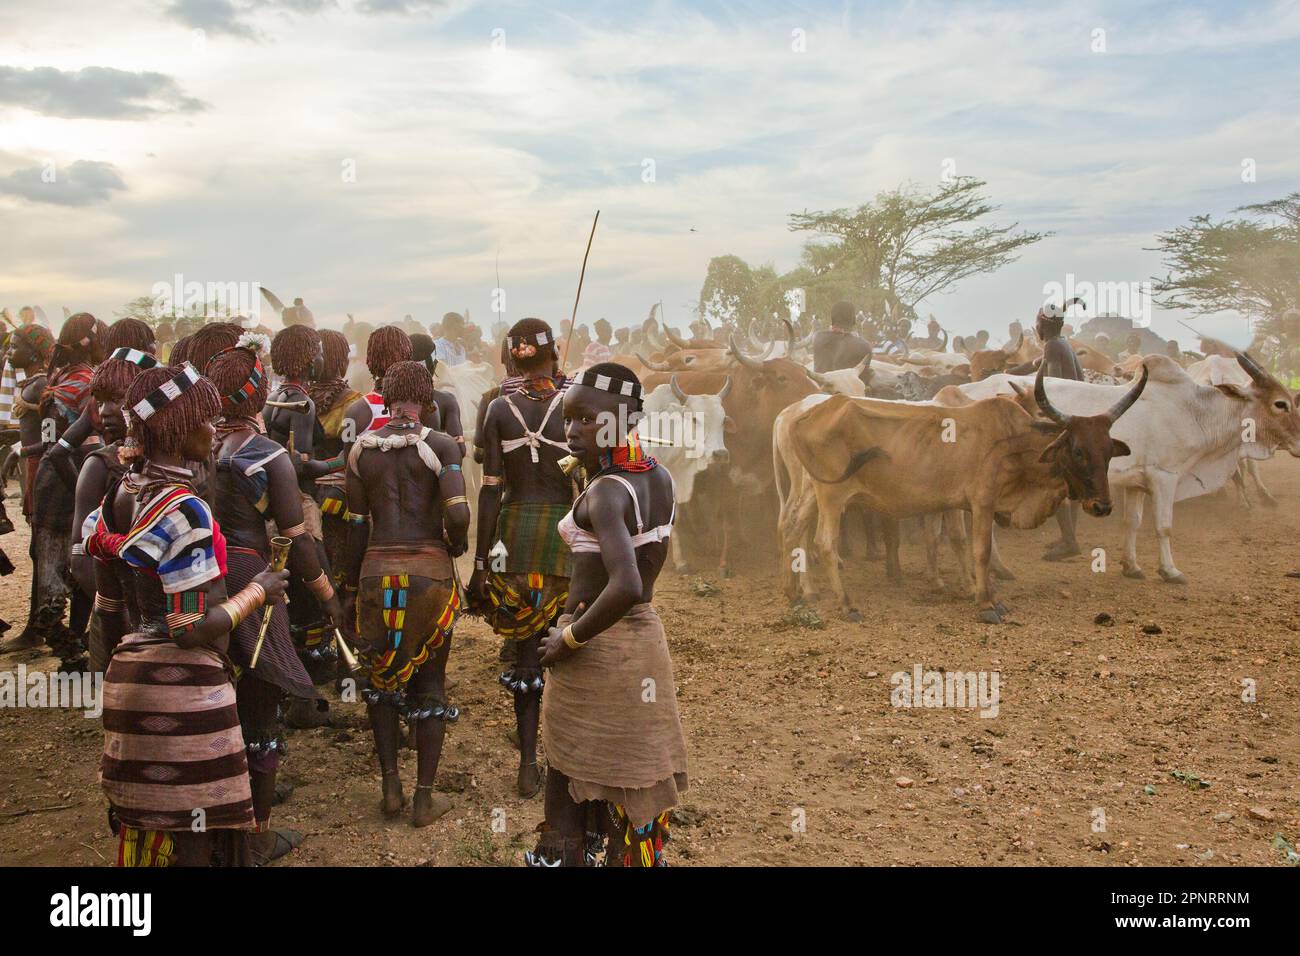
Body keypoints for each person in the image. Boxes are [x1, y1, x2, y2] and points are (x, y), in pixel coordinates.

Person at [87, 363, 289, 866]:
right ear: (177, 427)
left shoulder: (121, 493)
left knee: (152, 832)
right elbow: (189, 628)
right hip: (185, 691)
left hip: (129, 676)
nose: (212, 430)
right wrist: (258, 593)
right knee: (197, 838)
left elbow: (109, 599)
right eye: (204, 420)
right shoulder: (186, 509)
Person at [530, 362, 688, 867]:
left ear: (621, 424)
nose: (571, 430)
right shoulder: (657, 475)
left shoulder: (604, 492)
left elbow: (626, 584)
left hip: (597, 656)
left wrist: (569, 639)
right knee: (633, 783)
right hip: (644, 651)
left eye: (586, 420)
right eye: (569, 418)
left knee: (567, 785)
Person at [206, 336, 349, 862]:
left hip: (201, 580)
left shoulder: (197, 448)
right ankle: (254, 837)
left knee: (217, 703)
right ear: (256, 393)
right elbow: (297, 541)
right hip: (252, 578)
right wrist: (328, 597)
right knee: (260, 712)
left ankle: (217, 824)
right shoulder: (266, 457)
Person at [341, 361, 469, 826]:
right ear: (427, 399)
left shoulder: (361, 451)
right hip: (429, 575)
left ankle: (390, 786)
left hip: (377, 571)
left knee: (380, 682)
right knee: (430, 684)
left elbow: (357, 528)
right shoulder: (439, 445)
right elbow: (457, 515)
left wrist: (351, 588)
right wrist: (456, 546)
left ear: (384, 397)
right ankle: (423, 798)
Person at [469, 319, 573, 798]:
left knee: (526, 658)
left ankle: (528, 764)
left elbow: (490, 492)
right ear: (553, 356)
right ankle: (567, 759)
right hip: (568, 542)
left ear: (511, 360)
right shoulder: (575, 405)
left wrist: (479, 563)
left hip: (513, 541)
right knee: (571, 650)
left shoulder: (497, 410)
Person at [26, 312, 103, 666]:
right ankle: (76, 651)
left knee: (52, 569)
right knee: (82, 561)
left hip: (47, 477)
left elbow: (46, 442)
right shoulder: (89, 384)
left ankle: (69, 653)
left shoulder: (55, 381)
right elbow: (69, 446)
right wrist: (83, 492)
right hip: (71, 476)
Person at [1036, 301, 1085, 561]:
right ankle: (1069, 536)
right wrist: (1008, 371)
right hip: (1076, 416)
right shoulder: (1062, 343)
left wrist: (1047, 415)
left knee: (1056, 479)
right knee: (1070, 481)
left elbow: (1053, 385)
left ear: (1043, 324)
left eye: (1037, 321)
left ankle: (1069, 541)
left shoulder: (1053, 345)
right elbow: (1037, 365)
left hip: (1062, 417)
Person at [812, 301, 872, 373]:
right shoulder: (864, 346)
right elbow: (864, 378)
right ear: (853, 321)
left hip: (819, 384)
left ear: (832, 319)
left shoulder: (818, 337)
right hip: (848, 384)